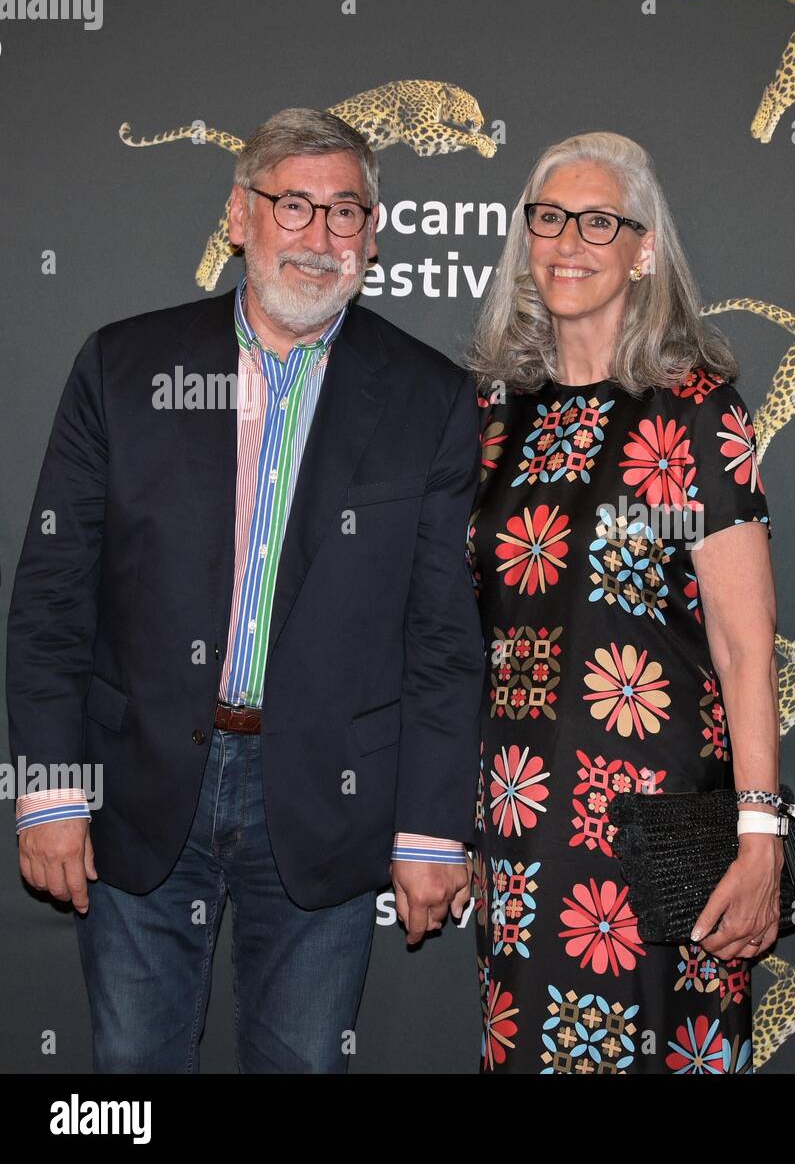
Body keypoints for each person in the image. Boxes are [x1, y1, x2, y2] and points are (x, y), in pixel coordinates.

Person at [8, 108, 483, 1072]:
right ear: (239, 217)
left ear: (374, 234)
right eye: (293, 205)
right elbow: (55, 592)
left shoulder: (429, 396)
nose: (319, 236)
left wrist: (434, 823)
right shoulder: (124, 366)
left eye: (344, 212)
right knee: (133, 1072)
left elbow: (443, 633)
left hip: (325, 798)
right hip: (135, 781)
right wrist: (49, 789)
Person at [463, 131, 781, 1074]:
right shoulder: (493, 417)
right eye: (549, 219)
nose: (568, 241)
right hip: (522, 821)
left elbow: (744, 643)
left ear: (644, 249)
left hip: (666, 822)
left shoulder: (694, 407)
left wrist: (760, 833)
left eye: (598, 221)